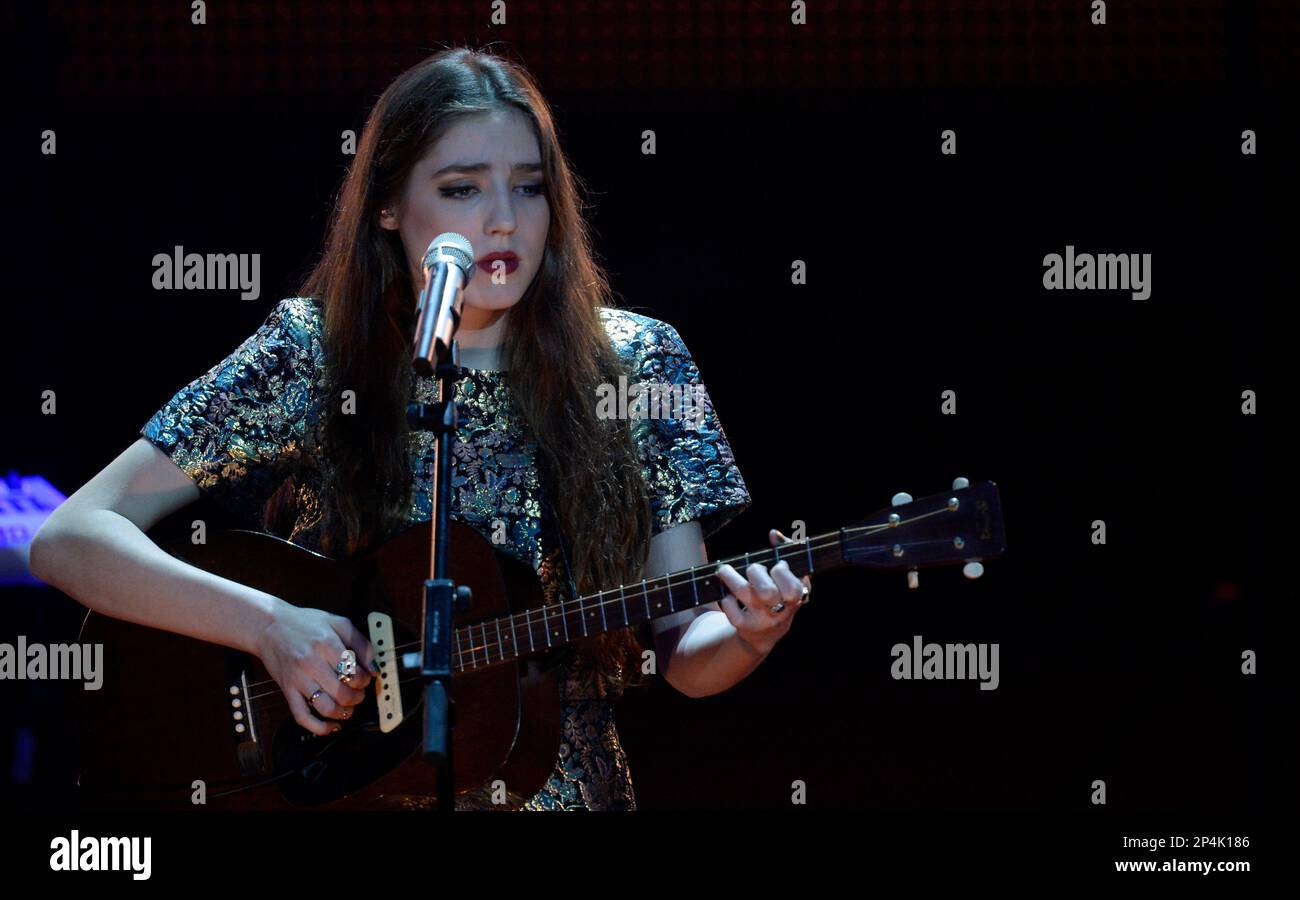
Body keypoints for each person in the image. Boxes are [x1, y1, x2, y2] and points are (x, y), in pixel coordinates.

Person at [29, 46, 811, 811]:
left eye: (530, 188)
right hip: (338, 786)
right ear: (389, 206)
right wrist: (271, 628)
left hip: (564, 791)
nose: (504, 220)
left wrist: (749, 635)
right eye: (463, 189)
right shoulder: (315, 352)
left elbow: (682, 651)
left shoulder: (638, 364)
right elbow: (70, 539)